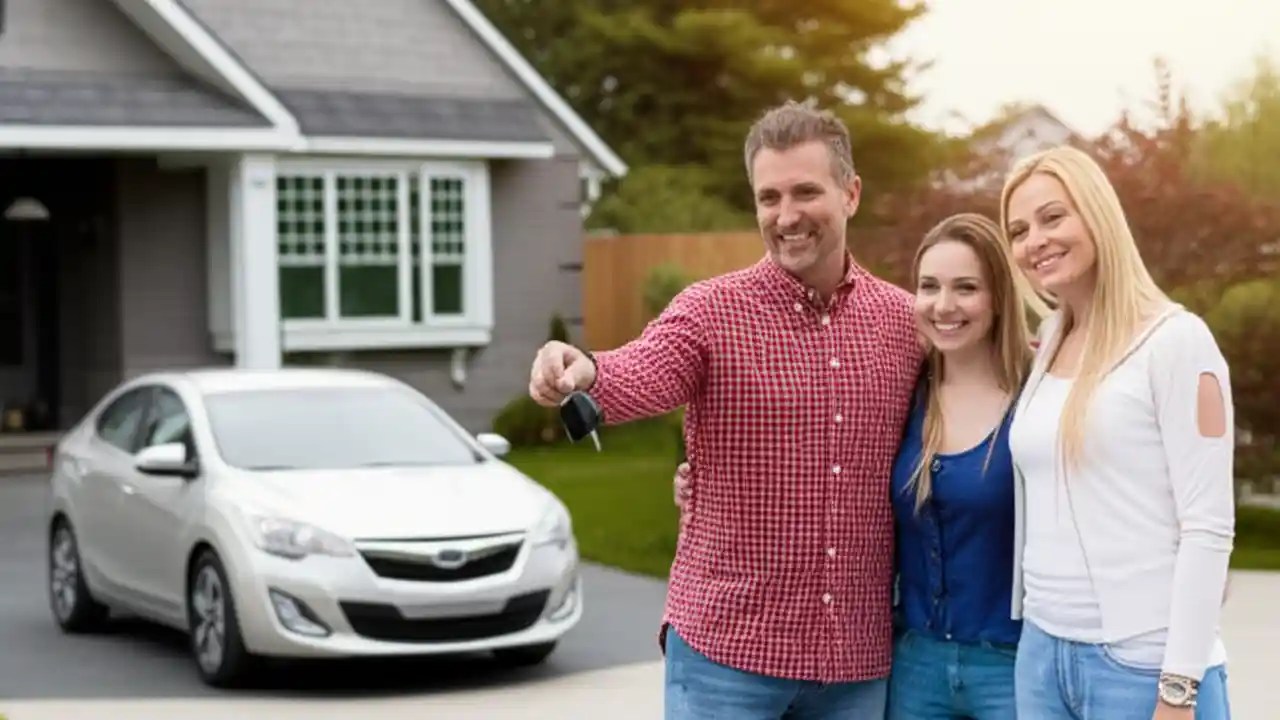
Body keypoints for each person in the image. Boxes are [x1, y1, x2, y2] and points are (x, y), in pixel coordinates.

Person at [529, 100, 925, 718]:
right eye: (769, 197)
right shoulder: (712, 311)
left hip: (855, 665)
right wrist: (585, 369)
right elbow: (644, 368)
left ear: (851, 194)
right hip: (729, 659)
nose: (786, 216)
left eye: (805, 192)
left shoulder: (905, 323)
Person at [674, 212, 1050, 719]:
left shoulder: (1040, 397)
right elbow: (833, 455)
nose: (944, 305)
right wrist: (708, 483)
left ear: (999, 297)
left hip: (1008, 663)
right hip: (915, 663)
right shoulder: (909, 390)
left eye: (966, 288)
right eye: (929, 286)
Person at [1001, 145, 1235, 719]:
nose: (1035, 240)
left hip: (1142, 667)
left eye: (1053, 217)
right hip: (1042, 658)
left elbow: (1208, 527)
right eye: (1019, 230)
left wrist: (1178, 689)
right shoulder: (1050, 339)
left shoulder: (1177, 342)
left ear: (1097, 214)